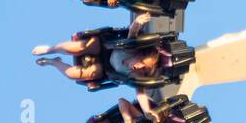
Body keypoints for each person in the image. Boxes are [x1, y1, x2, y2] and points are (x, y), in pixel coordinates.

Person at [32, 13, 163, 88]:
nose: (139, 67)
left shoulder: (134, 74)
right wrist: (137, 22)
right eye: (142, 64)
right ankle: (50, 49)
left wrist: (148, 111)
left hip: (105, 68)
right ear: (139, 55)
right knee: (79, 48)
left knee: (72, 74)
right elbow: (132, 32)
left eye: (144, 69)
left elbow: (139, 90)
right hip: (105, 46)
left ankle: (53, 62)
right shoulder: (131, 49)